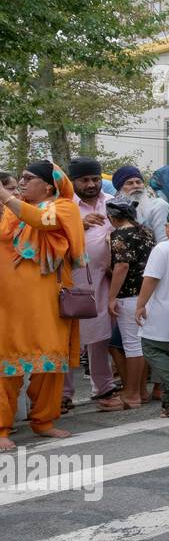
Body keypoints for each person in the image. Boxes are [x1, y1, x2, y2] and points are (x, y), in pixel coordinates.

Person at [0, 161, 85, 448]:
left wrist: (5, 196)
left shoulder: (64, 208)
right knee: (6, 363)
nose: (21, 183)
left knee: (50, 360)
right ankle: (1, 428)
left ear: (47, 185)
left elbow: (43, 221)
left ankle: (44, 420)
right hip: (9, 303)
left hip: (48, 301)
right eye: (20, 179)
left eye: (27, 178)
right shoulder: (13, 213)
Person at [65, 157, 121, 412]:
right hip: (71, 280)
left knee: (100, 335)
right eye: (85, 180)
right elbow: (50, 237)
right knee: (67, 337)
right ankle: (62, 394)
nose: (91, 184)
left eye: (95, 179)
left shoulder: (112, 204)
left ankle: (104, 388)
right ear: (72, 181)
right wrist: (80, 225)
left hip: (104, 278)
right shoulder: (64, 207)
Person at [105, 197, 155, 408]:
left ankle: (132, 394)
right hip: (148, 293)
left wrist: (111, 297)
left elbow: (121, 267)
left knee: (132, 346)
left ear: (112, 217)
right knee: (141, 344)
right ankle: (141, 391)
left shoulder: (120, 235)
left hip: (129, 295)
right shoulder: (146, 232)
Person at [135, 214, 169, 416]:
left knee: (151, 348)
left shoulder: (164, 248)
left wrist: (140, 304)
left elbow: (151, 278)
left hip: (162, 312)